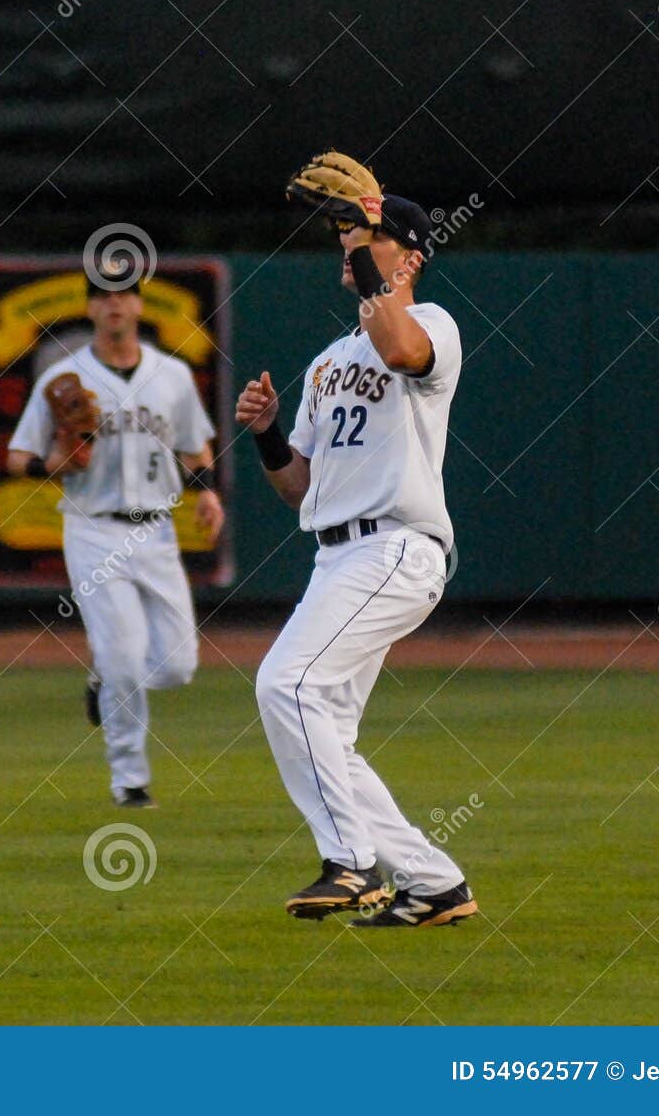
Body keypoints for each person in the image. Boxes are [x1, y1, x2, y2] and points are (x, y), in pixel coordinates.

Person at [235, 193, 478, 927]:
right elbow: (296, 486)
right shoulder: (327, 361)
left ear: (410, 258)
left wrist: (372, 254)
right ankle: (435, 884)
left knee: (284, 683)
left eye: (368, 242)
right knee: (328, 736)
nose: (350, 253)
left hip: (398, 546)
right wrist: (269, 436)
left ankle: (350, 862)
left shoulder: (432, 326)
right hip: (335, 557)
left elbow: (400, 349)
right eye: (347, 243)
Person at [6, 257, 223, 807]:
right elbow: (17, 458)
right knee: (126, 656)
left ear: (139, 304)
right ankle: (129, 779)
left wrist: (210, 494)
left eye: (124, 294)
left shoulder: (170, 375)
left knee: (177, 667)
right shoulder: (63, 376)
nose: (114, 304)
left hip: (156, 531)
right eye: (102, 295)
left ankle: (106, 680)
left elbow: (196, 448)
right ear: (90, 307)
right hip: (93, 530)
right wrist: (52, 464)